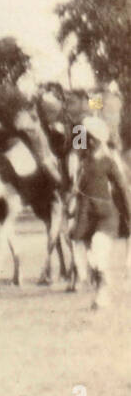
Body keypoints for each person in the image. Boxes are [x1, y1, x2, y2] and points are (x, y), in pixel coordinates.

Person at [71, 115, 131, 309]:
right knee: (87, 254)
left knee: (98, 249)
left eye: (89, 138)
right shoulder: (83, 161)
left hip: (105, 213)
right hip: (84, 214)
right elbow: (76, 145)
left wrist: (129, 212)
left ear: (96, 140)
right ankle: (97, 285)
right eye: (85, 138)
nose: (86, 141)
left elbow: (122, 187)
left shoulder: (109, 162)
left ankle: (102, 294)